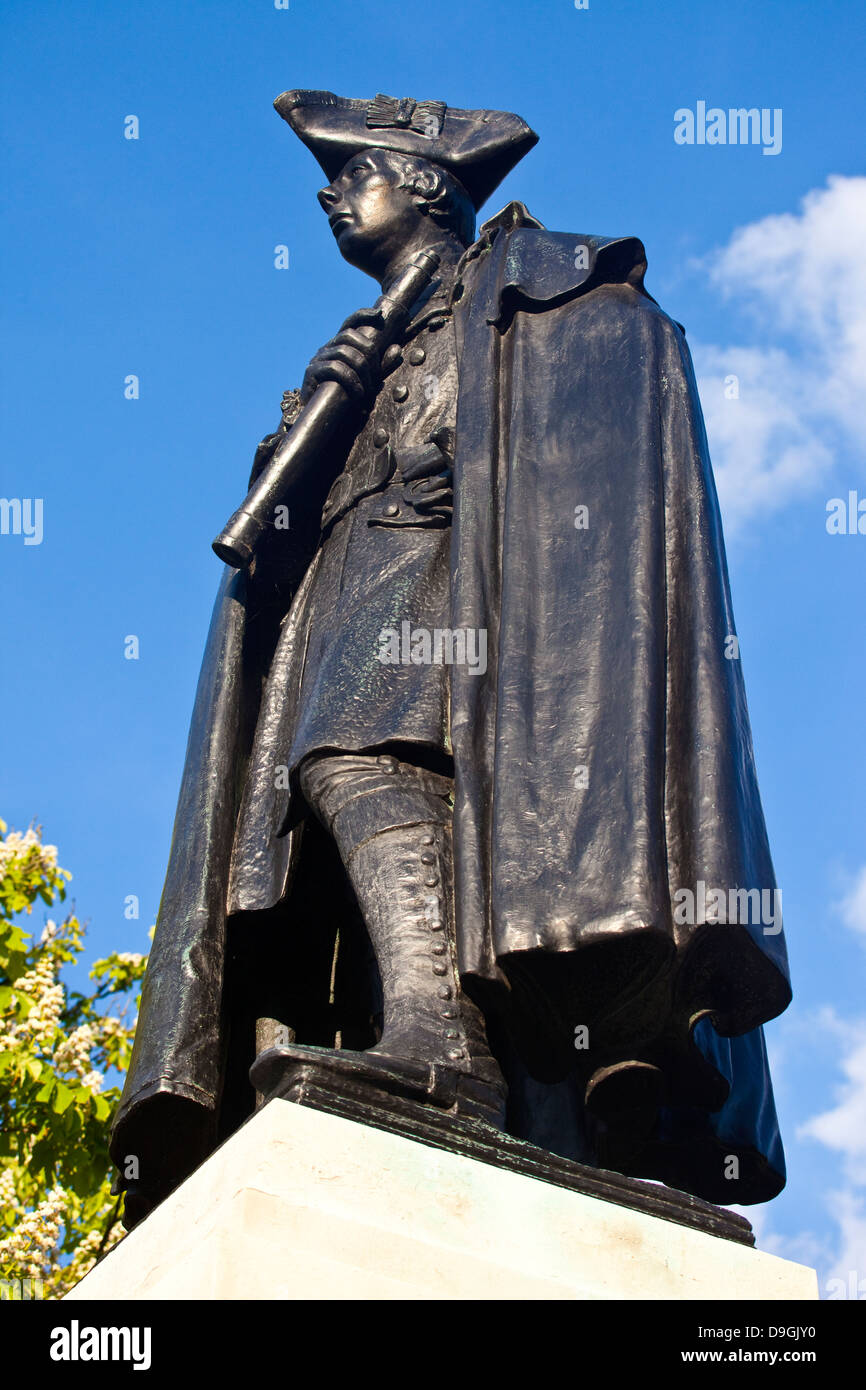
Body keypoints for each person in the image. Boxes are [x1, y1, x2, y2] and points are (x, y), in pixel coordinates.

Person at [111, 91, 791, 1228]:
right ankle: (461, 1055)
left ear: (424, 187)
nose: (332, 195)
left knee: (353, 759)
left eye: (355, 172)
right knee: (312, 812)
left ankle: (443, 1040)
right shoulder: (355, 352)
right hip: (345, 590)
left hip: (456, 587)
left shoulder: (533, 292)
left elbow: (584, 422)